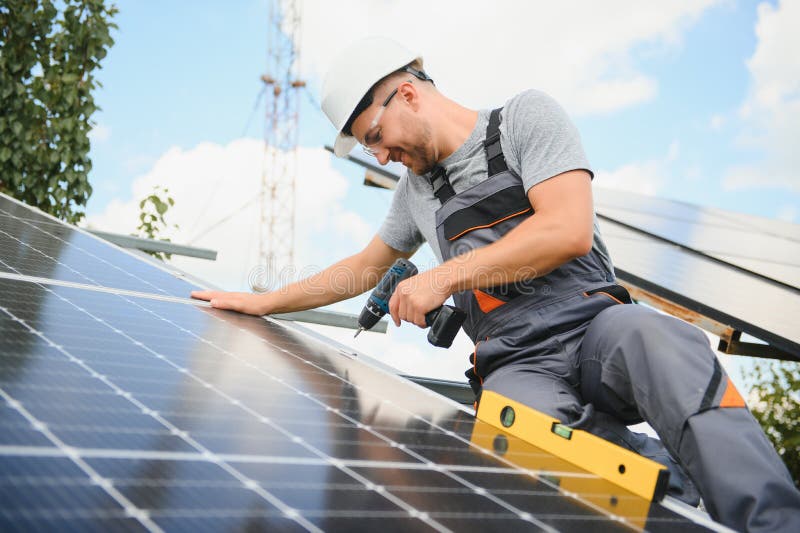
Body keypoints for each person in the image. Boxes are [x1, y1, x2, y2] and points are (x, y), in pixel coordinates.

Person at [192, 36, 800, 531]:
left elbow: (567, 230)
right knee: (516, 440)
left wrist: (445, 276)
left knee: (660, 341)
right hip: (517, 363)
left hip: (597, 327)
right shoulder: (414, 197)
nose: (377, 156)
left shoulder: (524, 121)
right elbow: (357, 270)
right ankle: (674, 489)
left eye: (374, 137)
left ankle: (773, 522)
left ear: (406, 94)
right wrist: (261, 301)